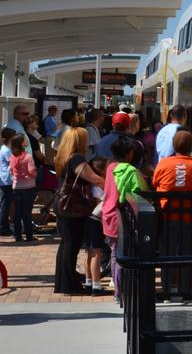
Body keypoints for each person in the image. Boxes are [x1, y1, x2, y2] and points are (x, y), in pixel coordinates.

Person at [153, 130, 192, 297]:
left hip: (168, 216)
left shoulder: (163, 164)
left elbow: (155, 182)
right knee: (187, 253)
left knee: (167, 252)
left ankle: (167, 289)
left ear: (173, 145)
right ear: (191, 146)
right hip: (191, 217)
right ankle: (186, 290)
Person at [53, 127, 104, 295]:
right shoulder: (77, 159)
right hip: (72, 207)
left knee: (65, 245)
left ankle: (62, 282)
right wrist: (112, 185)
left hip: (62, 204)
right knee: (71, 245)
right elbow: (94, 178)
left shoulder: (63, 156)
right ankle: (70, 284)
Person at [101, 137, 147, 302]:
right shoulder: (130, 171)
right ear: (129, 154)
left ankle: (118, 290)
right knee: (121, 256)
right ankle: (120, 293)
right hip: (120, 218)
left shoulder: (110, 168)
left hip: (107, 215)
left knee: (115, 254)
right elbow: (139, 193)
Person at [84, 157, 111, 295]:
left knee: (89, 253)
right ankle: (96, 286)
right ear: (101, 171)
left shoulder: (90, 186)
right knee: (96, 254)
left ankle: (88, 282)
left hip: (87, 220)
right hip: (95, 221)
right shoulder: (99, 187)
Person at [9, 134, 37, 242]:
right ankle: (29, 235)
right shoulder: (28, 157)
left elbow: (11, 171)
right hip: (28, 186)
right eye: (24, 140)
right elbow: (32, 172)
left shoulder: (12, 156)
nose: (26, 140)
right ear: (22, 143)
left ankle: (18, 235)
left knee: (17, 212)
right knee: (27, 212)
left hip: (16, 186)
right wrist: (34, 174)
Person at [0, 127, 17, 237]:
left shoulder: (5, 148)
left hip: (5, 180)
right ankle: (3, 227)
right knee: (5, 204)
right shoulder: (6, 150)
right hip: (6, 180)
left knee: (6, 203)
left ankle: (5, 226)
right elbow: (12, 163)